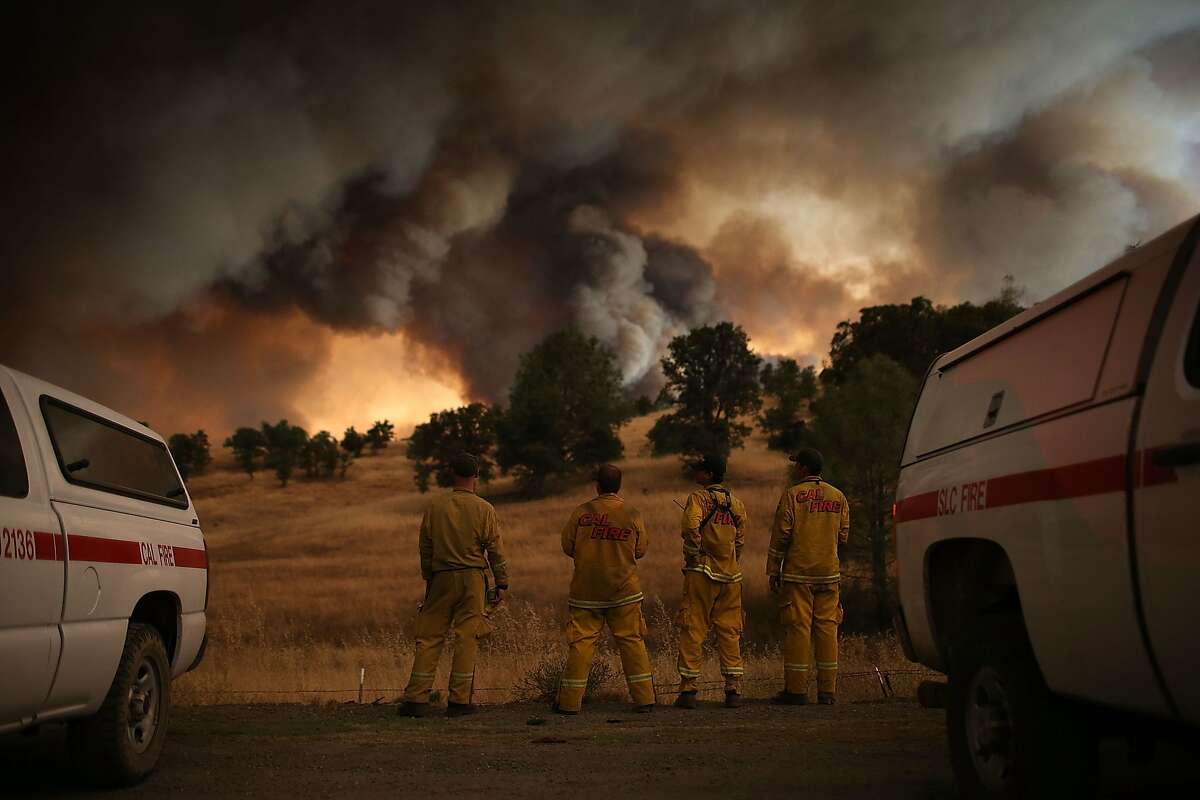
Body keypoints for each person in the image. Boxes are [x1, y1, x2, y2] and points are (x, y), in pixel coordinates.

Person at [400, 452, 509, 718]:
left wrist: (429, 577)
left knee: (429, 637)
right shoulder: (484, 509)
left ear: (451, 473)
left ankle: (416, 700)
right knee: (466, 638)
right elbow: (495, 548)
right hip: (473, 579)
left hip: (440, 578)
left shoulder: (435, 506)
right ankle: (459, 702)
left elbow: (425, 546)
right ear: (477, 475)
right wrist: (502, 582)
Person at [554, 464, 655, 714]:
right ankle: (645, 700)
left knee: (581, 645)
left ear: (597, 486)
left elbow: (568, 546)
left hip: (585, 593)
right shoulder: (632, 513)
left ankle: (569, 704)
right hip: (625, 591)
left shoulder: (582, 512)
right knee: (632, 642)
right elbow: (640, 551)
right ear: (618, 486)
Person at [767, 447, 849, 705]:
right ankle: (827, 692)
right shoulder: (838, 497)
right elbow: (843, 536)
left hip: (798, 574)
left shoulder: (792, 496)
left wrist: (773, 569)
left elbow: (781, 535)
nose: (794, 469)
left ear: (803, 468)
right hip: (829, 573)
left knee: (799, 628)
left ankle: (796, 690)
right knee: (827, 629)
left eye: (796, 465)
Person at [674, 454, 749, 710]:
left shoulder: (698, 498)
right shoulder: (736, 503)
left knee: (693, 627)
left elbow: (689, 527)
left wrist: (694, 554)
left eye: (700, 470)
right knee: (730, 632)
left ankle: (688, 691)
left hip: (703, 573)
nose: (696, 473)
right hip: (731, 576)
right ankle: (733, 690)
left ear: (708, 475)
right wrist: (732, 559)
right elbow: (740, 538)